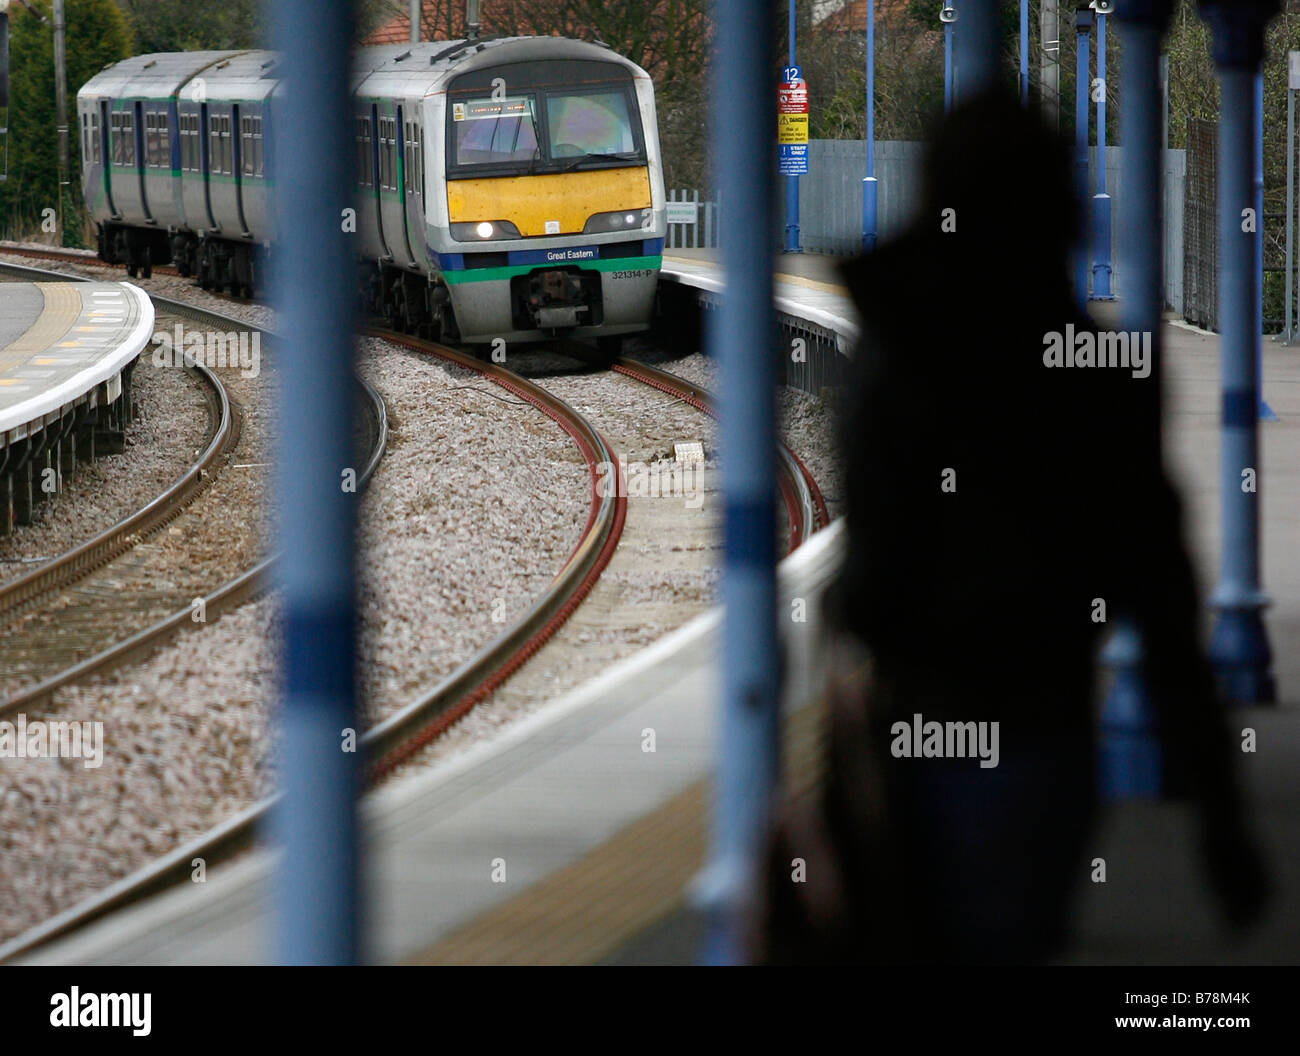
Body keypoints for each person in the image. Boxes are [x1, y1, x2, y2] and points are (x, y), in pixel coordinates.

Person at [754, 94, 1269, 964]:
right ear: (1057, 207)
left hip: (910, 725)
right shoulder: (1097, 374)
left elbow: (876, 566)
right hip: (1045, 731)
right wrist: (1218, 808)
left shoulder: (895, 349)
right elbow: (1160, 581)